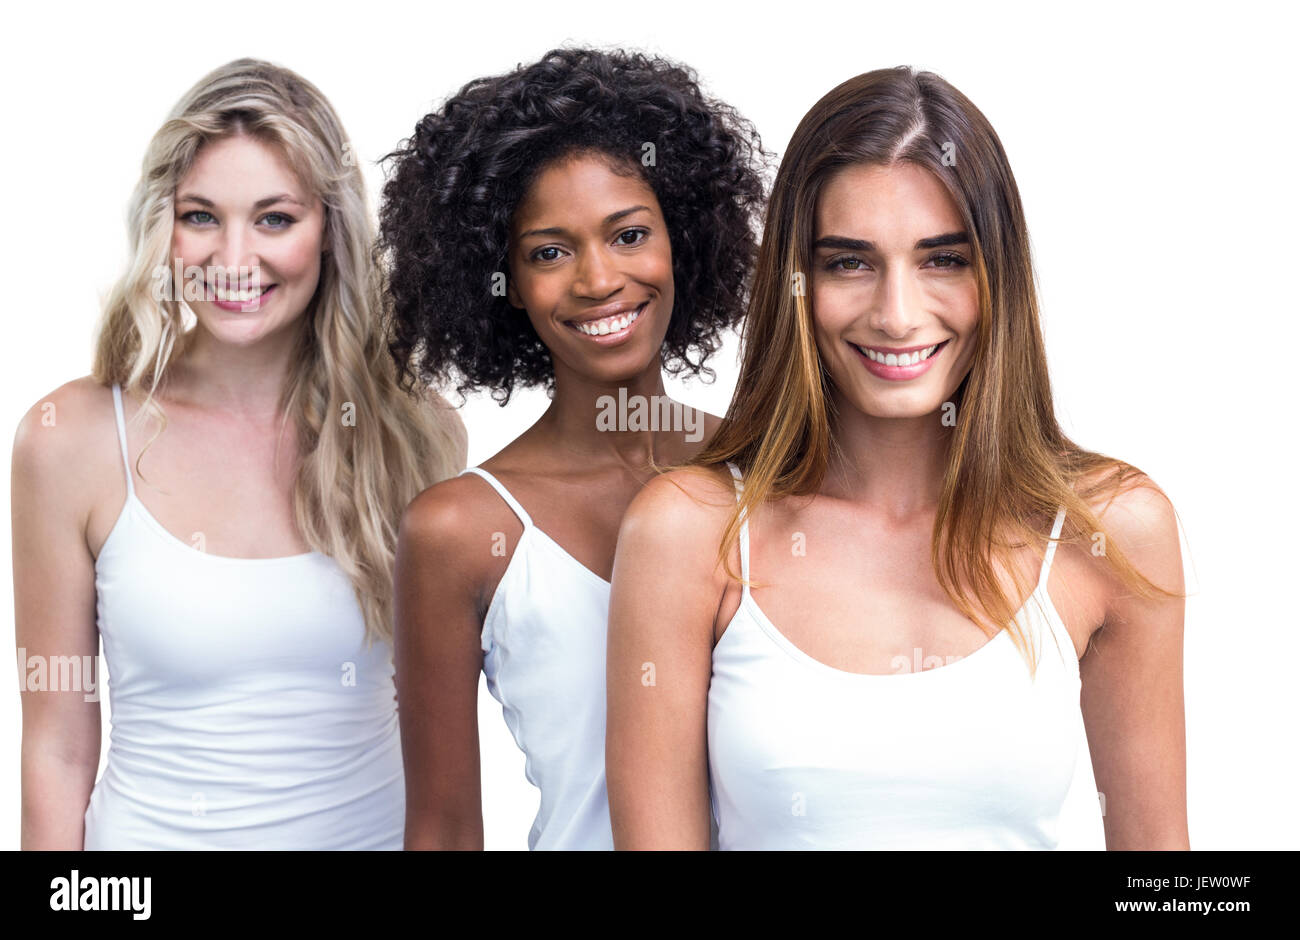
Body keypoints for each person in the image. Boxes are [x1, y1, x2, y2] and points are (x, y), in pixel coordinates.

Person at [607, 66, 1187, 850]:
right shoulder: (689, 532)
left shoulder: (1109, 527)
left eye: (943, 259)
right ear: (798, 283)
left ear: (999, 276)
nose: (897, 314)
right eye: (850, 262)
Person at [13, 58, 466, 850]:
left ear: (330, 229)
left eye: (274, 219)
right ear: (163, 225)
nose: (232, 257)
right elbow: (55, 748)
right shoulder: (71, 440)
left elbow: (444, 741)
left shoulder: (416, 433)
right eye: (200, 216)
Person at [380, 47, 767, 849]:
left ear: (682, 241)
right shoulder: (456, 531)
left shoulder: (774, 468)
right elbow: (444, 827)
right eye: (550, 252)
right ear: (505, 281)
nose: (597, 279)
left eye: (628, 234)